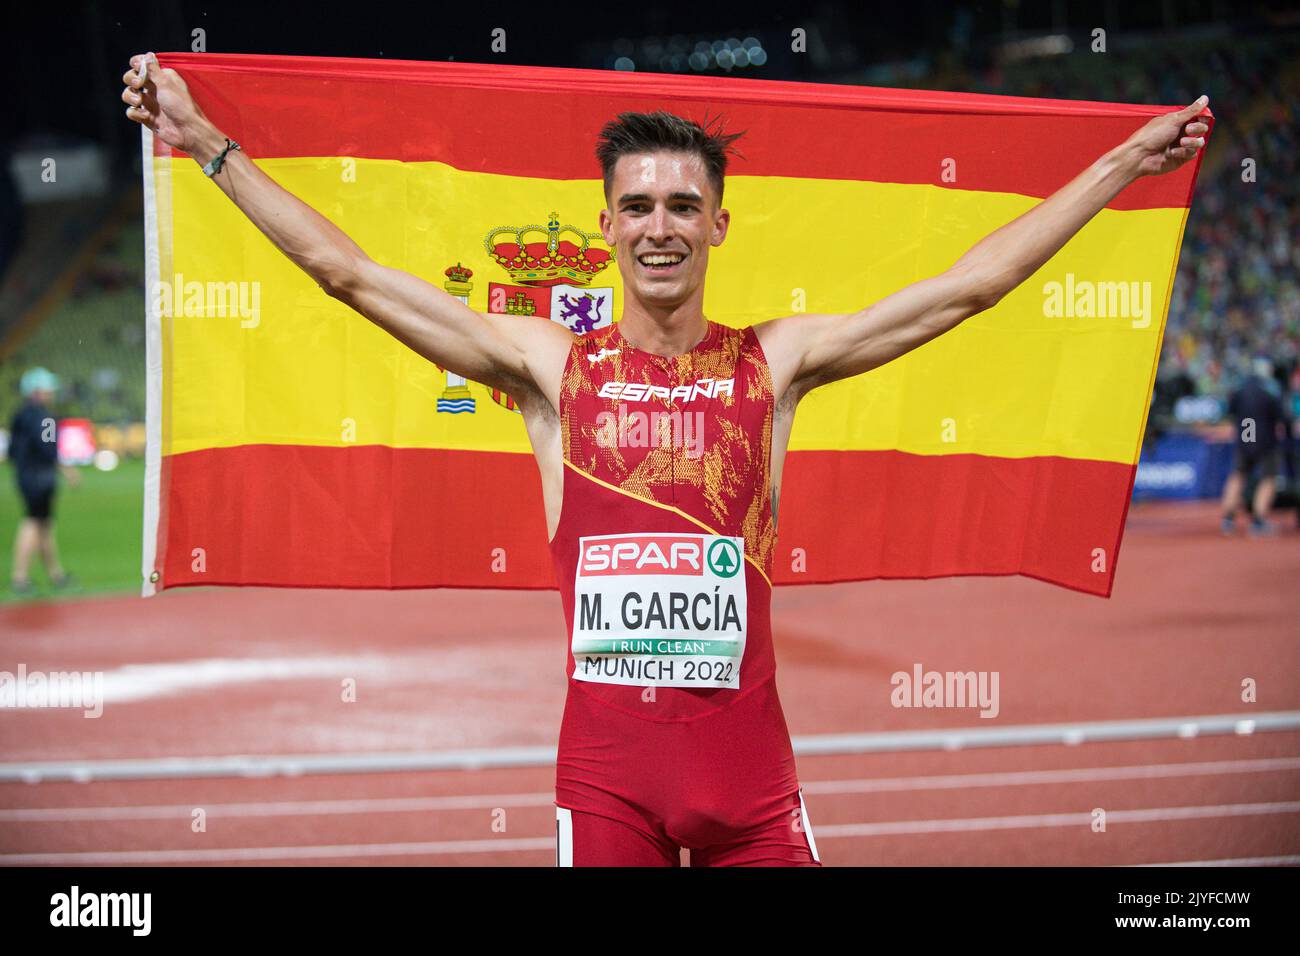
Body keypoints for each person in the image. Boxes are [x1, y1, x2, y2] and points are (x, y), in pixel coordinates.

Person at [120, 53, 1209, 865]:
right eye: (636, 204)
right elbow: (348, 275)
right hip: (607, 789)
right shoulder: (549, 367)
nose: (659, 225)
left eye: (682, 205)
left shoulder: (777, 363)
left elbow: (968, 288)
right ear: (604, 223)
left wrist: (1119, 163)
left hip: (752, 787)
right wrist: (204, 142)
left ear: (719, 225)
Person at [8, 367, 79, 593]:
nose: (52, 392)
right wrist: (67, 470)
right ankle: (20, 577)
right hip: (40, 476)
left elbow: (11, 450)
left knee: (44, 524)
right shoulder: (46, 417)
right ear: (37, 391)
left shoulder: (20, 414)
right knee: (33, 522)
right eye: (48, 388)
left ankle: (55, 574)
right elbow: (49, 447)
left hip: (24, 475)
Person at [1221, 357, 1288, 536]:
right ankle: (1258, 520)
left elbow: (1230, 411)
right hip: (1266, 439)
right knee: (1269, 478)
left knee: (1238, 475)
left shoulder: (1240, 388)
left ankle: (1228, 518)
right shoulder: (1271, 389)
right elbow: (1282, 416)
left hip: (1245, 437)